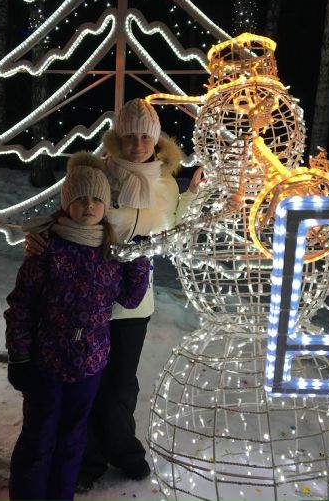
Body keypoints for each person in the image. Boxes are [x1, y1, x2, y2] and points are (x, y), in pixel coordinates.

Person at [25, 98, 203, 490]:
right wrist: (39, 237)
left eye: (145, 136)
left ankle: (123, 451)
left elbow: (174, 230)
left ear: (156, 140)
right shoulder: (101, 173)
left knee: (121, 385)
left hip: (136, 301)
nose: (137, 144)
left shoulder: (166, 183)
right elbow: (74, 212)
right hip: (88, 299)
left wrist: (191, 196)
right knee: (88, 383)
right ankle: (87, 462)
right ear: (118, 137)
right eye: (130, 135)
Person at [5, 152, 151, 501]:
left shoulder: (111, 253)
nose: (89, 205)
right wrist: (19, 355)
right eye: (80, 198)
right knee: (39, 436)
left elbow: (130, 299)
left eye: (97, 199)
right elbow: (22, 305)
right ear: (66, 202)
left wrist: (139, 259)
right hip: (46, 362)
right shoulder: (46, 249)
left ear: (106, 205)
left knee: (73, 437)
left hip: (89, 364)